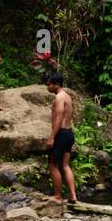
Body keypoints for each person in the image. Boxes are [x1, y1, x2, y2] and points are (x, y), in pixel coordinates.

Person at [45, 72, 77, 204]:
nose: (47, 87)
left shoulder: (59, 97)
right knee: (65, 165)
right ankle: (73, 196)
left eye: (49, 84)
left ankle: (58, 196)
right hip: (69, 133)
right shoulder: (67, 97)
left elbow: (58, 118)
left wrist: (52, 137)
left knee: (53, 165)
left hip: (61, 134)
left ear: (56, 84)